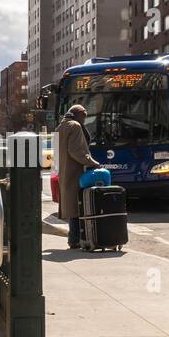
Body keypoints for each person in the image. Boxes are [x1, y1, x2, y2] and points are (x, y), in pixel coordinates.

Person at [56, 104, 100, 249]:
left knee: (72, 205)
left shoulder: (60, 127)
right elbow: (76, 151)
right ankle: (75, 239)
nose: (85, 119)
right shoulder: (74, 126)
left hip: (64, 171)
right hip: (75, 171)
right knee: (77, 205)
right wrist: (93, 163)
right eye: (84, 115)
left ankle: (74, 238)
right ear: (78, 114)